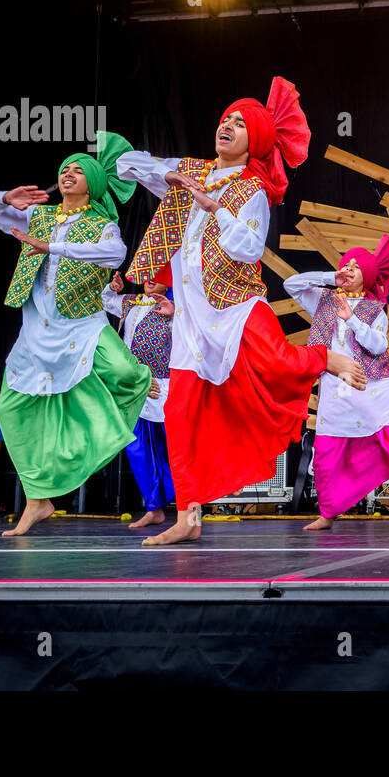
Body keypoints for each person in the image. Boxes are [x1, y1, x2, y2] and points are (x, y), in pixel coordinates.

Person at [118, 76, 367, 545]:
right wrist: (167, 176)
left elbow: (250, 248)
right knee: (180, 412)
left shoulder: (252, 188)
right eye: (225, 119)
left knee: (276, 363)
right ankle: (188, 517)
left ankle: (324, 359)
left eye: (240, 122)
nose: (227, 125)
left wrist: (214, 208)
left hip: (234, 304)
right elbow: (127, 161)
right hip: (192, 319)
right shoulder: (190, 170)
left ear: (255, 139)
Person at [0, 131, 152, 537]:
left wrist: (53, 247)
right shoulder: (39, 215)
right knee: (9, 409)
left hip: (83, 324)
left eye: (78, 169)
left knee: (127, 374)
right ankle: (38, 500)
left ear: (93, 183)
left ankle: (128, 402)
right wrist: (4, 199)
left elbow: (115, 255)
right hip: (37, 330)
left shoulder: (102, 226)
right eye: (64, 168)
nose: (68, 173)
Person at [283, 234, 389, 530]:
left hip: (367, 383)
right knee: (326, 454)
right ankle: (327, 513)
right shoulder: (323, 300)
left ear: (367, 277)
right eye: (345, 265)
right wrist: (328, 276)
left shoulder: (375, 310)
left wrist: (351, 319)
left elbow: (377, 345)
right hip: (335, 388)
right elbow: (291, 284)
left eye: (355, 267)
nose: (347, 270)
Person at [103, 270, 177, 529]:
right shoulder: (130, 301)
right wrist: (114, 288)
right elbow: (104, 301)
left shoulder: (179, 305)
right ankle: (154, 507)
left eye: (158, 273)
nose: (150, 277)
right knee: (138, 450)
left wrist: (175, 314)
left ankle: (193, 512)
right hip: (139, 387)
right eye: (147, 273)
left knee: (178, 450)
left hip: (169, 386)